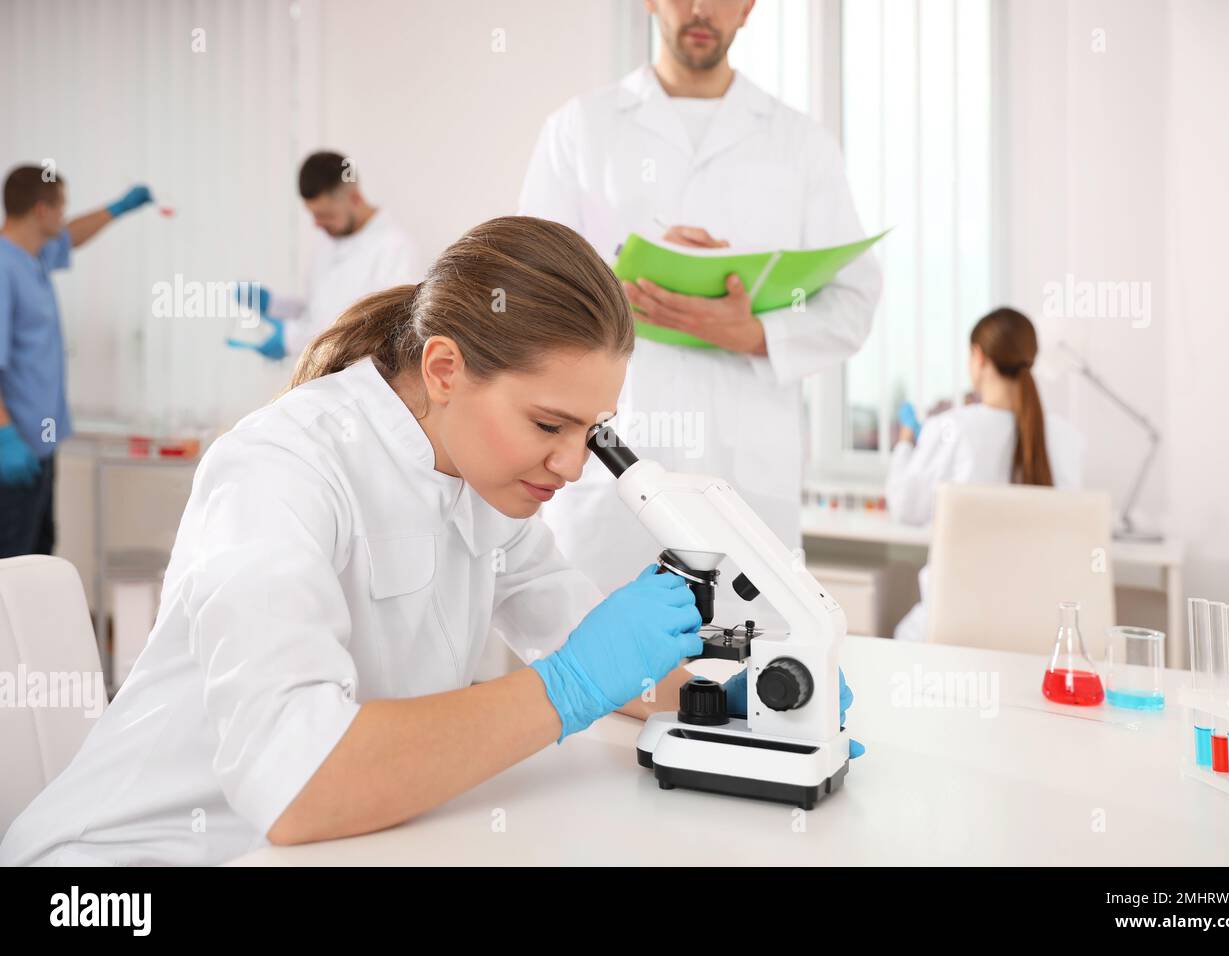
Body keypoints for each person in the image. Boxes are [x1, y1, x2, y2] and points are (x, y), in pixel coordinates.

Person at [0, 216, 861, 866]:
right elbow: (297, 786)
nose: (572, 464)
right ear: (445, 368)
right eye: (549, 423)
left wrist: (735, 700)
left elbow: (588, 643)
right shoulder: (279, 470)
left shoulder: (487, 487)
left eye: (594, 432)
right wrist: (570, 686)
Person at [518, 0, 883, 629]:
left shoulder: (800, 143)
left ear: (747, 8)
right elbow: (525, 280)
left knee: (751, 683)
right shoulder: (580, 128)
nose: (699, 10)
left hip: (747, 481)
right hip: (614, 463)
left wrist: (756, 332)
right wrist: (614, 282)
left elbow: (852, 300)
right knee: (594, 682)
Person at [886, 307, 1085, 642]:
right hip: (1036, 634)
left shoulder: (950, 428)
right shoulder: (1066, 438)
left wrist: (906, 443)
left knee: (901, 634)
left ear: (978, 357)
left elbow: (905, 508)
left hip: (951, 631)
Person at [0, 165, 154, 557]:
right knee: (11, 568)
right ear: (41, 210)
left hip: (38, 445)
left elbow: (71, 237)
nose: (64, 215)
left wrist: (119, 208)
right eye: (61, 206)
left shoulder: (31, 257)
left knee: (38, 557)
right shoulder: (3, 268)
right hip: (10, 450)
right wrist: (5, 436)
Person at [230, 150, 419, 361]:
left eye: (325, 215)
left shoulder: (394, 249)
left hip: (358, 381)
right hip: (321, 375)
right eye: (313, 214)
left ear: (354, 198)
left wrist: (292, 339)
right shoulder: (328, 241)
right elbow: (318, 310)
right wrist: (275, 305)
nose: (317, 224)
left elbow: (388, 334)